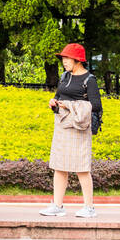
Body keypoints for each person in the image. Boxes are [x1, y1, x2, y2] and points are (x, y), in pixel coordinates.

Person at [41, 42, 103, 218]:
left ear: (78, 60)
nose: (64, 61)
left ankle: (89, 207)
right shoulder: (64, 77)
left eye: (67, 58)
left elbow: (96, 105)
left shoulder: (89, 80)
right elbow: (58, 96)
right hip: (62, 125)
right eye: (63, 58)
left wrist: (69, 105)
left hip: (80, 126)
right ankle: (58, 205)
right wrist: (53, 103)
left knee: (82, 167)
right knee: (59, 166)